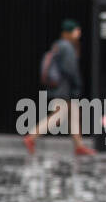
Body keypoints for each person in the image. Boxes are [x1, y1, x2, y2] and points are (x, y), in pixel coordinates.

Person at [24, 19, 97, 156]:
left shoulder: (58, 45)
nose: (79, 33)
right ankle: (31, 137)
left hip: (59, 87)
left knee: (74, 113)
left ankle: (79, 146)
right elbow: (70, 69)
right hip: (64, 89)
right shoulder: (67, 47)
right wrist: (77, 85)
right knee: (59, 115)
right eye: (76, 30)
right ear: (70, 32)